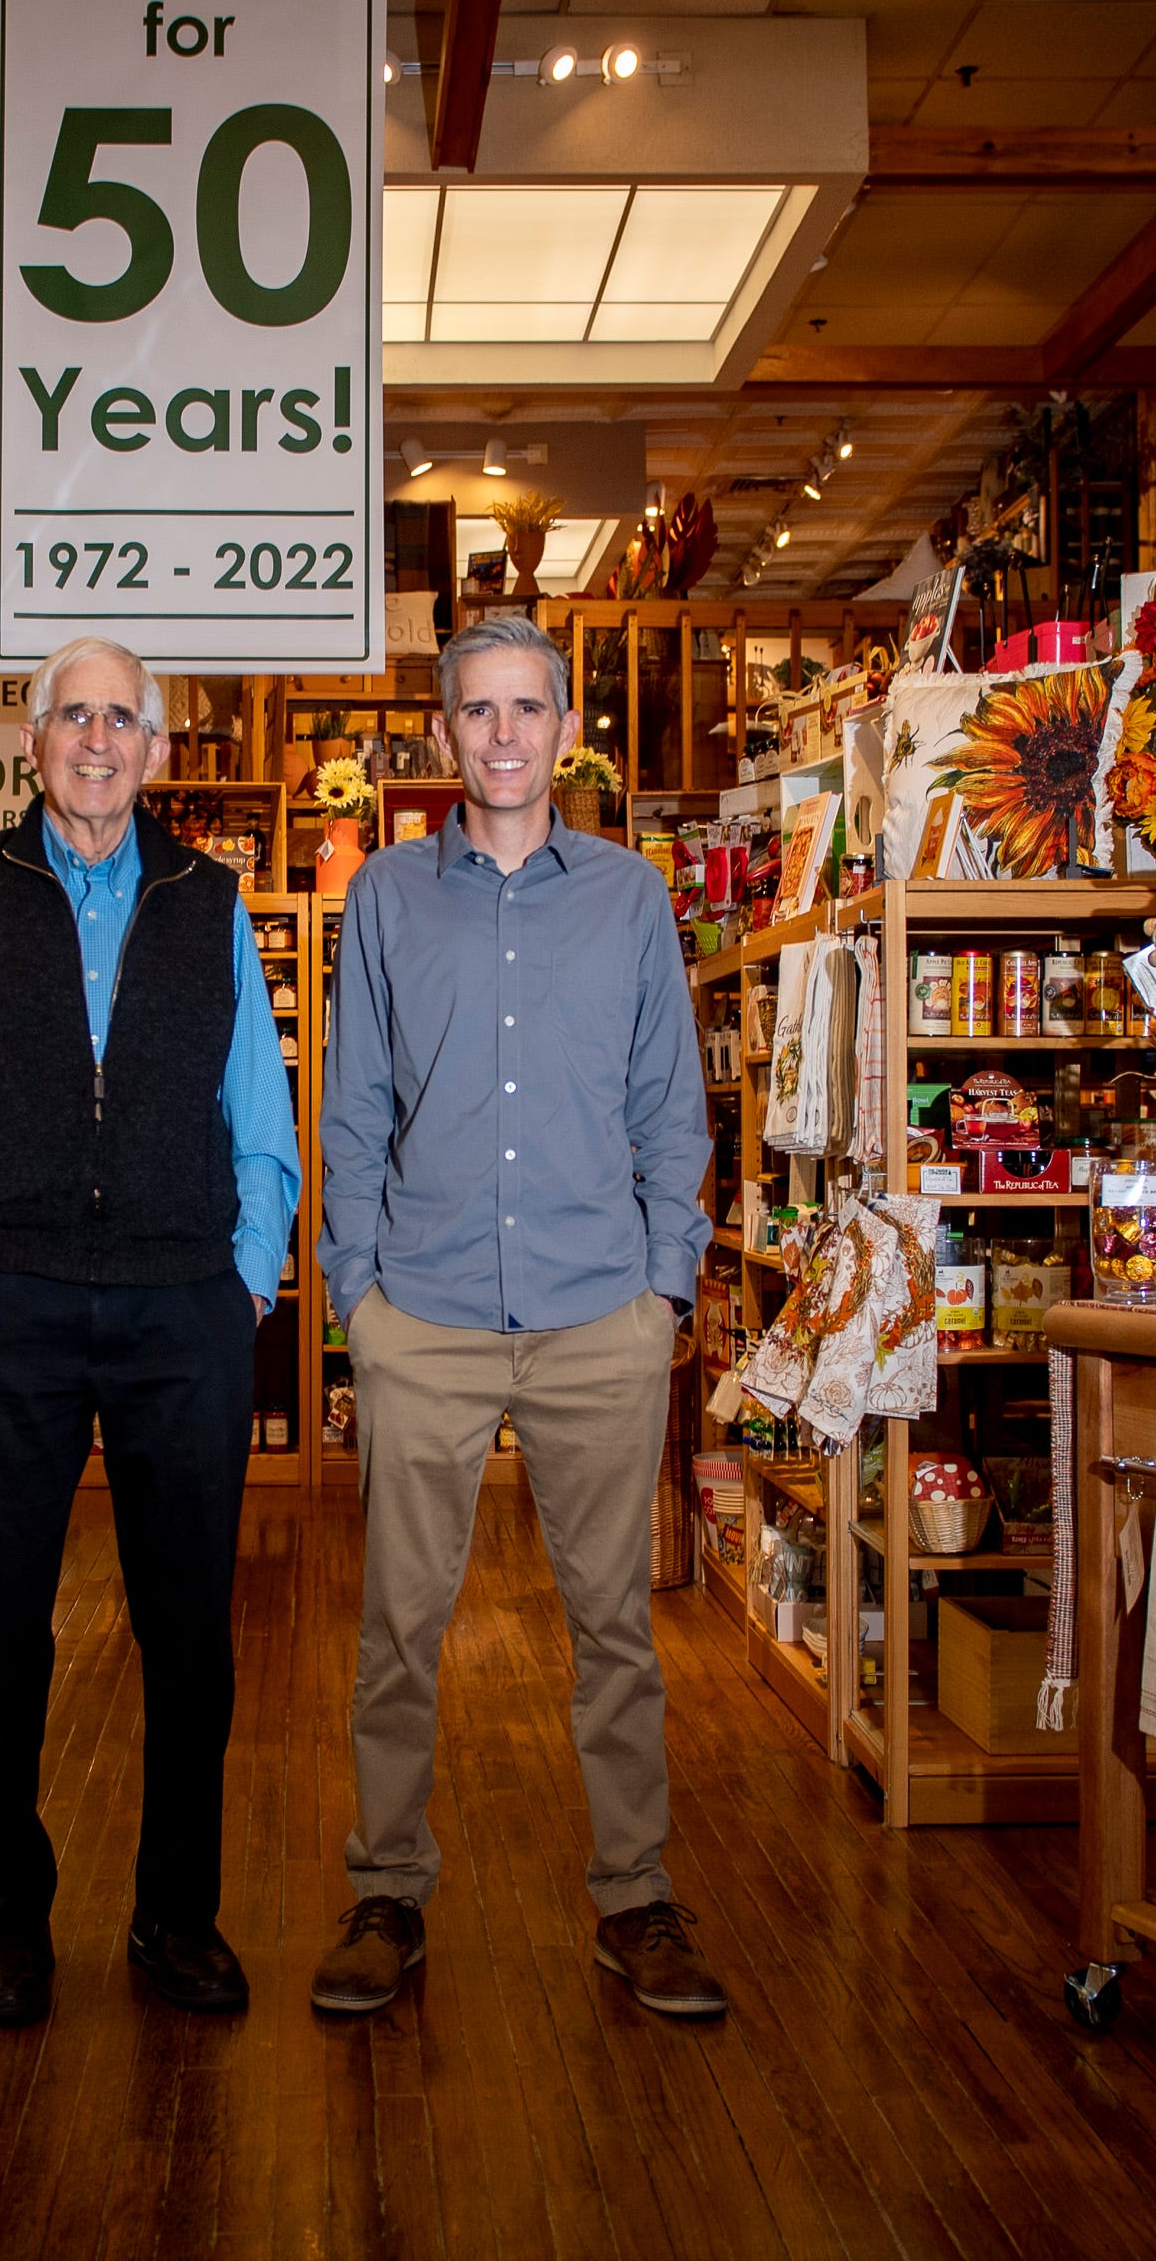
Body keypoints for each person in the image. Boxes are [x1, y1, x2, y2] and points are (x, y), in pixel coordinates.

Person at [0, 635, 302, 2028]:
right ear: (34, 738)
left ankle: (176, 1916)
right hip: (6, 1303)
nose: (99, 741)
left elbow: (261, 1104)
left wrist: (245, 1272)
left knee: (189, 1636)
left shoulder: (210, 900)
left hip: (183, 1304)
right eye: (74, 716)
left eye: (124, 719)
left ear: (159, 750)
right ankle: (9, 1915)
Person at [311, 611, 723, 2019]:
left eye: (525, 710)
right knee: (396, 1626)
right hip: (418, 1313)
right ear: (442, 735)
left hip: (597, 1309)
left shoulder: (628, 896)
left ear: (562, 730)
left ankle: (638, 1899)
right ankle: (386, 1889)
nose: (501, 735)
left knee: (613, 1623)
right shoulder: (383, 898)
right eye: (475, 712)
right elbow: (354, 1103)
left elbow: (672, 1103)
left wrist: (668, 1283)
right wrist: (353, 1295)